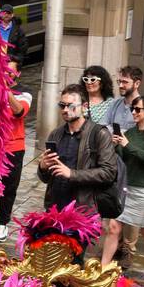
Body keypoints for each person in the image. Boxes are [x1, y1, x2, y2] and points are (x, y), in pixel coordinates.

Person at [102, 95, 144, 278]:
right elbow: (123, 158)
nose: (133, 112)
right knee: (114, 227)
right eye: (133, 109)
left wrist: (128, 145)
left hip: (143, 190)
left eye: (138, 109)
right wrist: (116, 146)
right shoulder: (130, 132)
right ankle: (103, 267)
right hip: (126, 188)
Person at [37, 83, 118, 213]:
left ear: (84, 107)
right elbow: (45, 178)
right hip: (54, 209)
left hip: (83, 212)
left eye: (71, 106)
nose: (65, 109)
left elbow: (108, 173)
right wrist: (43, 167)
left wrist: (72, 174)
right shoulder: (55, 134)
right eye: (62, 105)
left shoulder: (99, 134)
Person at [0, 51, 32, 242]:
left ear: (18, 74)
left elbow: (18, 111)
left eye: (10, 73)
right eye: (4, 72)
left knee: (9, 188)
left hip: (13, 148)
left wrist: (4, 91)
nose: (6, 75)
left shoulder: (25, 92)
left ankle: (2, 222)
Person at [106, 65, 143, 134]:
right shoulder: (114, 103)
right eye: (119, 82)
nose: (120, 85)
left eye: (125, 82)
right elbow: (103, 126)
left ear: (137, 84)